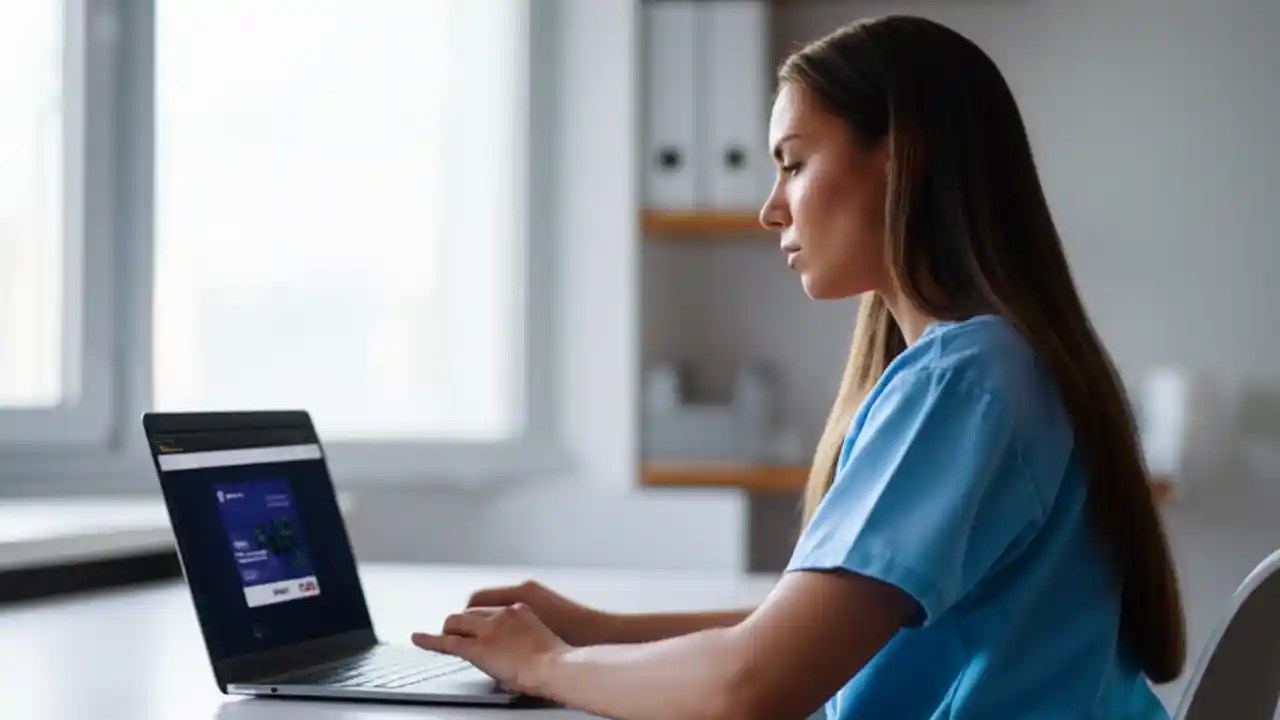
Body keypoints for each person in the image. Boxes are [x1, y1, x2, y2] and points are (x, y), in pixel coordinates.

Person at [411, 15, 1185, 719]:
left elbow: (754, 685)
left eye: (793, 163)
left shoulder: (969, 381)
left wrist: (547, 664)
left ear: (901, 155)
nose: (770, 207)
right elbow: (805, 635)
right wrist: (597, 634)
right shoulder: (1004, 364)